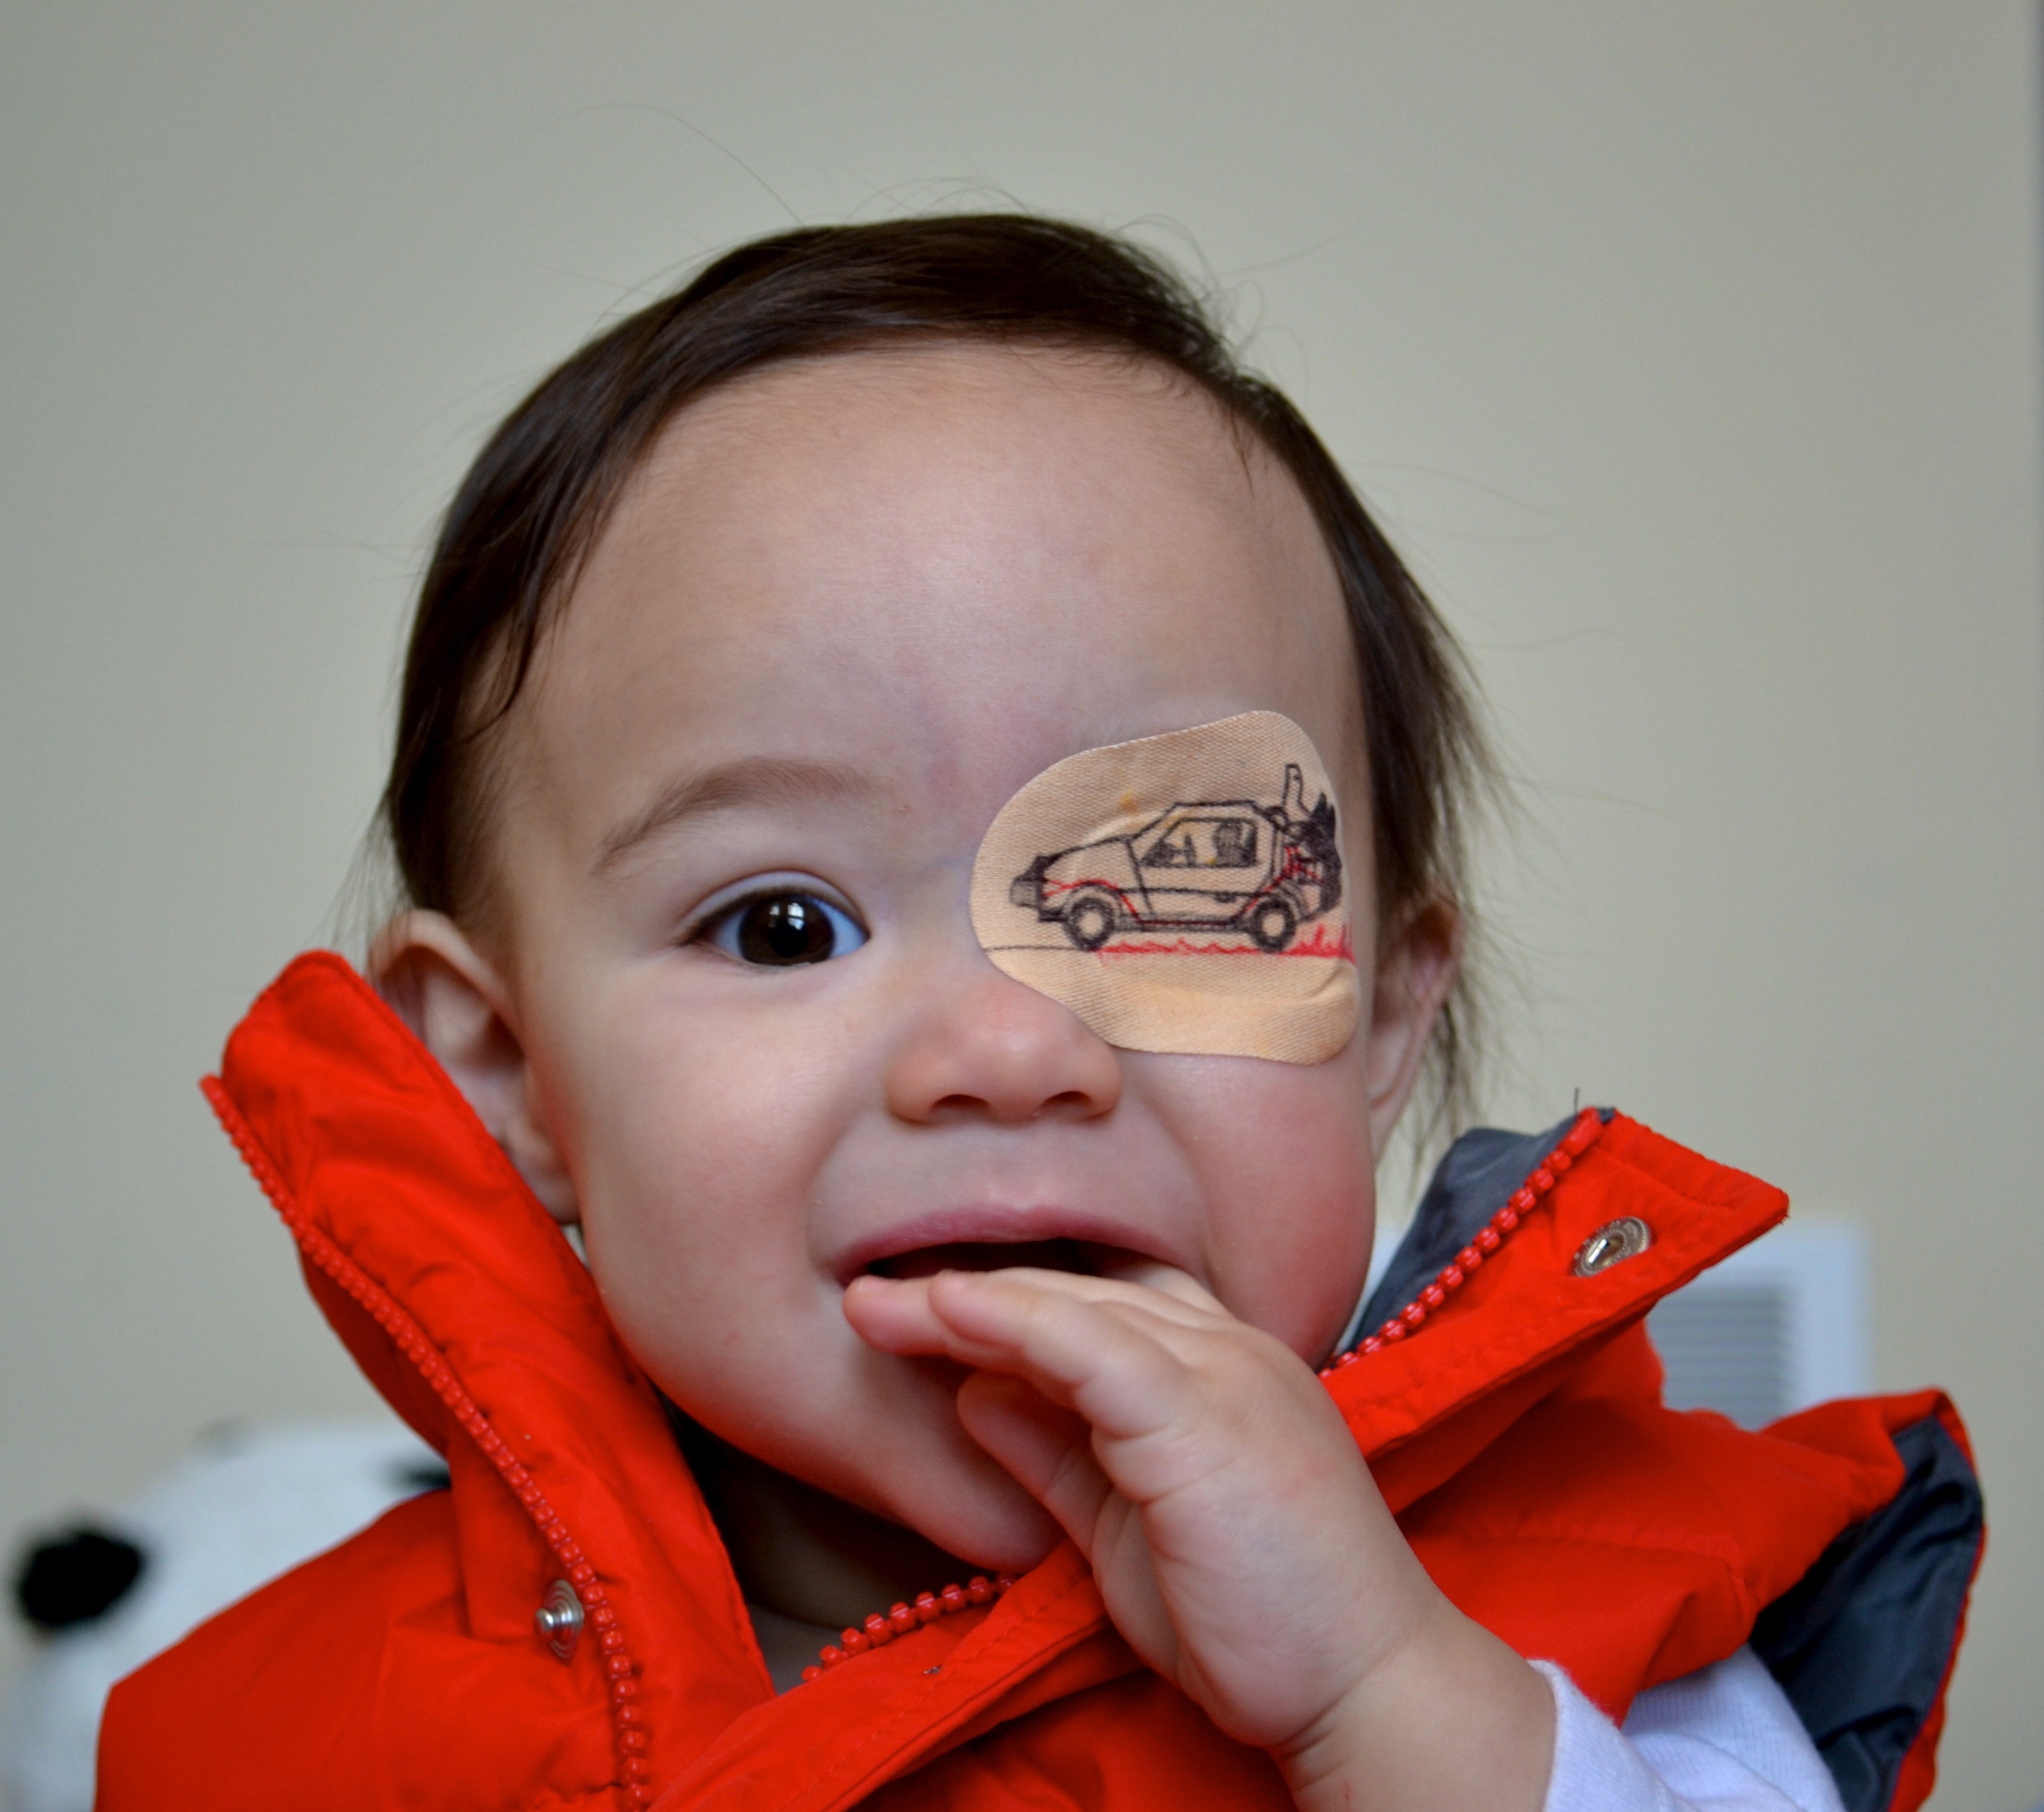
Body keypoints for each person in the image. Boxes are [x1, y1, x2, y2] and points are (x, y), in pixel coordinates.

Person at [97, 216, 1979, 1812]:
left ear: (1386, 1012)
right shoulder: (277, 1730)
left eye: (1171, 896)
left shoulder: (1578, 1647)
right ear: (503, 1073)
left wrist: (1377, 1703)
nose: (1005, 1053)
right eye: (779, 925)